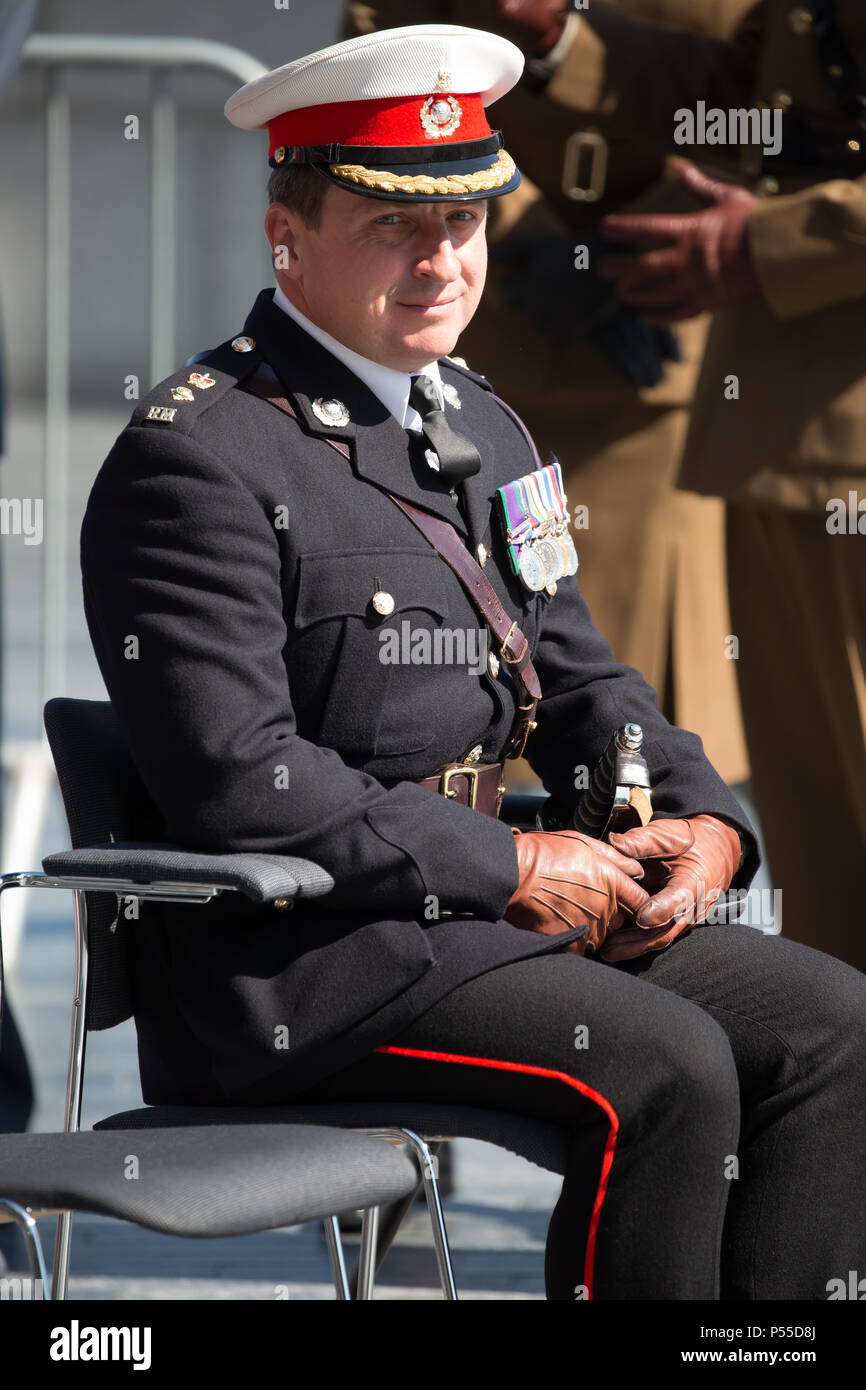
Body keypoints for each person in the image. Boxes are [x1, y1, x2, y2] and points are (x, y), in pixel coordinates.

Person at [79, 23, 866, 1300]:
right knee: (667, 1067)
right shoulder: (199, 458)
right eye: (395, 223)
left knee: (831, 1024)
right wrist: (510, 863)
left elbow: (579, 679)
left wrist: (708, 819)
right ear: (288, 231)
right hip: (314, 965)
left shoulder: (482, 425)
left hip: (492, 926)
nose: (441, 260)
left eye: (466, 222)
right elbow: (244, 779)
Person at [517, 0, 866, 973]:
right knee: (831, 892)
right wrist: (556, 41)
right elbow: (731, 96)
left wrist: (768, 243)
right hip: (782, 449)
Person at [342, 0, 753, 788]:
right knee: (467, 719)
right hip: (476, 357)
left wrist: (653, 246)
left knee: (641, 755)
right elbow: (381, 69)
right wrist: (517, 235)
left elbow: (762, 102)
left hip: (657, 373)